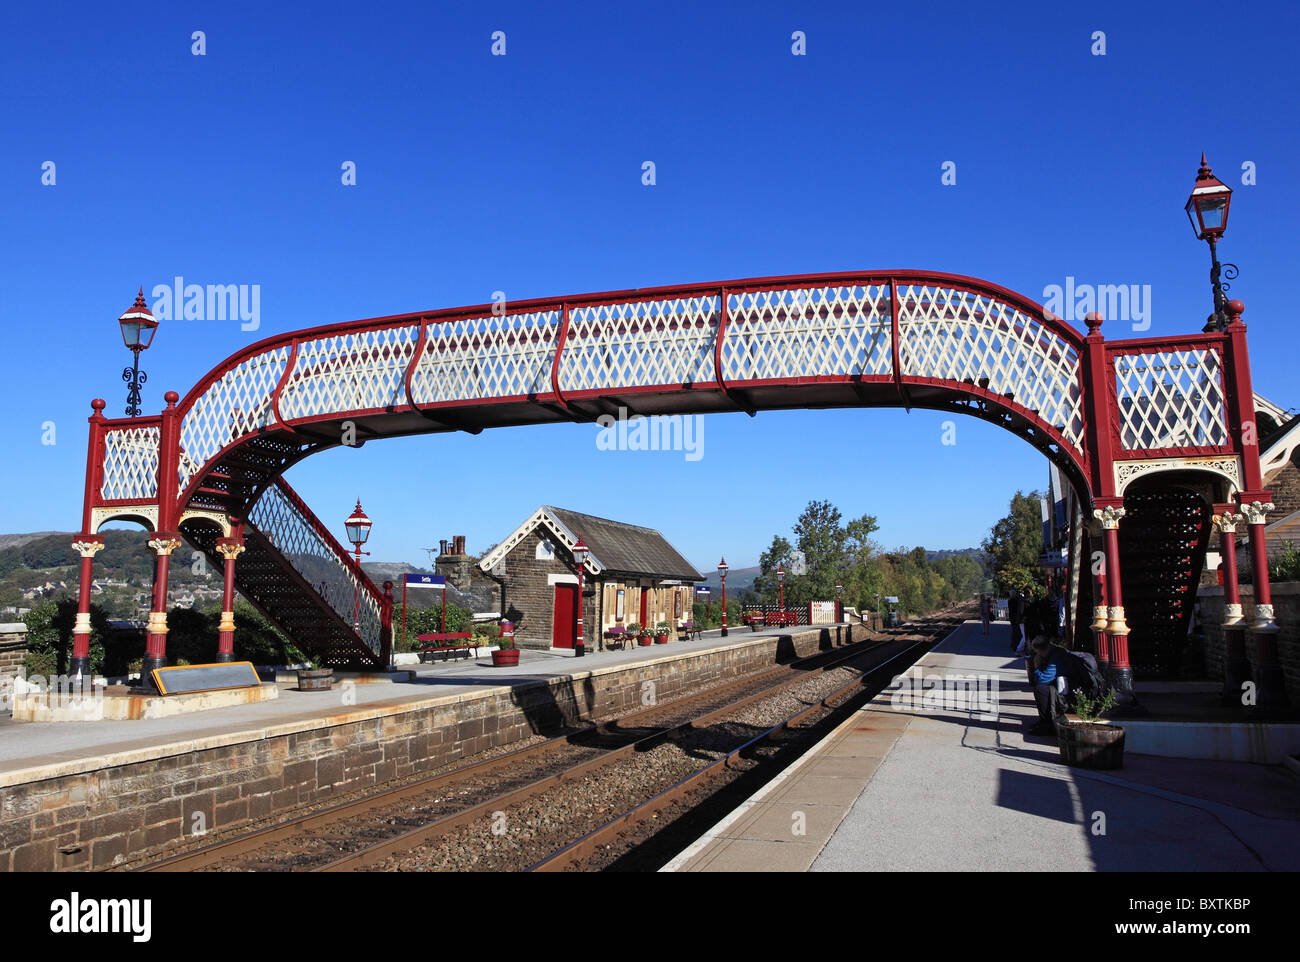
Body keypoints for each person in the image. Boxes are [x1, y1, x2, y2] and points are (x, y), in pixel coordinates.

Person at [1007, 589, 1024, 653]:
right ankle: (1015, 644)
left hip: (1012, 618)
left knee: (1015, 631)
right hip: (1015, 618)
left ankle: (1013, 643)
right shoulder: (1014, 601)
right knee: (1016, 632)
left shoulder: (1010, 600)